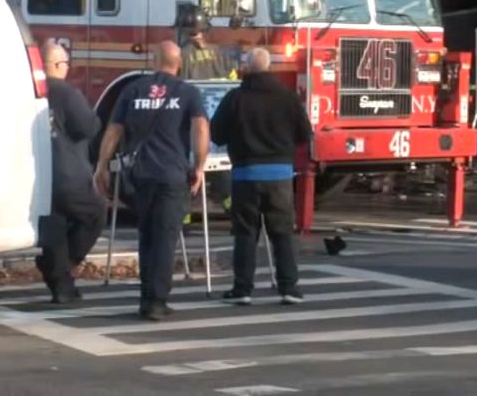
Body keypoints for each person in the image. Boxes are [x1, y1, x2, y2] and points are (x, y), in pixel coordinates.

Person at [95, 41, 210, 321]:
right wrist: (200, 165)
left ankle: (147, 296)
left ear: (154, 60)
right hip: (172, 175)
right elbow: (201, 128)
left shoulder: (132, 90)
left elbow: (114, 130)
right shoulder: (187, 92)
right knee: (165, 238)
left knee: (147, 235)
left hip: (140, 174)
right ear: (178, 62)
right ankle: (156, 301)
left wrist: (101, 166)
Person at [210, 48, 310, 305]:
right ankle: (289, 287)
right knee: (282, 233)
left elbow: (217, 134)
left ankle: (242, 289)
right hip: (280, 175)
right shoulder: (288, 98)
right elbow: (304, 134)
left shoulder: (235, 98)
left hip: (246, 174)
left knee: (245, 233)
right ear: (269, 68)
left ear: (247, 68)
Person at [36, 44, 105, 304]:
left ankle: (61, 286)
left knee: (55, 227)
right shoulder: (66, 93)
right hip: (69, 174)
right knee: (94, 214)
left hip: (40, 174)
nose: (67, 68)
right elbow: (87, 126)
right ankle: (62, 266)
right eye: (65, 63)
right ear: (54, 65)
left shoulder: (30, 93)